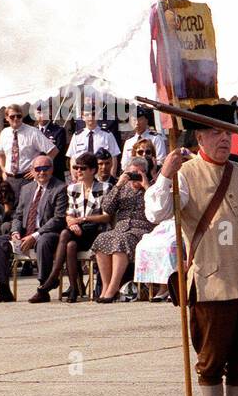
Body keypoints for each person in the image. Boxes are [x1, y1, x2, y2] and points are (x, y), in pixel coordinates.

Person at [146, 105, 238, 396]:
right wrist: (164, 177)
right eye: (214, 133)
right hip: (210, 278)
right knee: (212, 358)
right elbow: (156, 212)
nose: (222, 139)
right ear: (199, 137)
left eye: (225, 133)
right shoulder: (185, 174)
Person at [0, 154, 65, 303]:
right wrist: (15, 232)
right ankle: (4, 289)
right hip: (24, 233)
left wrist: (34, 236)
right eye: (38, 169)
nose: (41, 172)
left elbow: (59, 219)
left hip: (47, 234)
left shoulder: (59, 188)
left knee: (44, 241)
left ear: (52, 169)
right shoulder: (27, 188)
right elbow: (18, 215)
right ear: (32, 171)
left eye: (45, 168)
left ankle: (43, 288)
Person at [34, 151, 109, 302]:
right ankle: (74, 288)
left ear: (93, 170)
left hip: (96, 230)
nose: (78, 171)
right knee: (70, 245)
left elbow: (107, 216)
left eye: (82, 168)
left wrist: (82, 219)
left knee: (66, 236)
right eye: (76, 167)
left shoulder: (105, 187)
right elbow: (68, 214)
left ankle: (54, 276)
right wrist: (71, 223)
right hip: (77, 230)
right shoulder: (72, 188)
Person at [90, 157, 154, 302]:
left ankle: (113, 288)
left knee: (122, 240)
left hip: (141, 228)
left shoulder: (151, 187)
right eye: (131, 173)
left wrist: (146, 186)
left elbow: (158, 206)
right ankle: (106, 287)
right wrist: (119, 185)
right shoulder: (122, 188)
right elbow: (106, 208)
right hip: (120, 227)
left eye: (138, 173)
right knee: (102, 238)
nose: (134, 177)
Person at [121, 107, 168, 173]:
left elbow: (161, 161)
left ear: (146, 121)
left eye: (140, 119)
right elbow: (124, 165)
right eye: (134, 120)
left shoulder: (156, 138)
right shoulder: (128, 142)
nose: (137, 123)